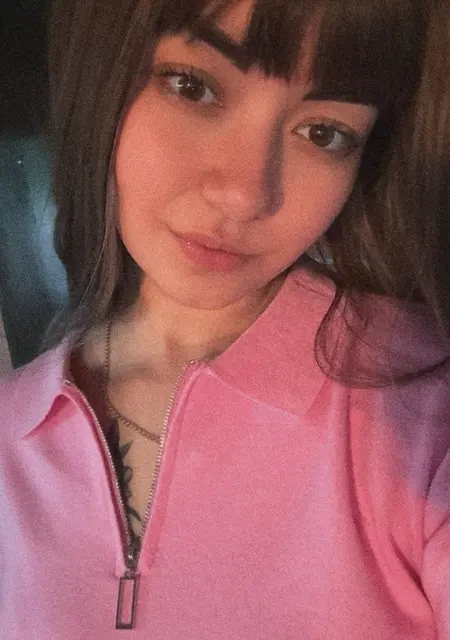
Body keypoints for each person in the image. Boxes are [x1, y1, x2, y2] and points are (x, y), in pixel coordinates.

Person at [1, 0, 450, 637]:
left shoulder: (420, 411)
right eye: (193, 86)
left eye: (324, 133)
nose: (245, 195)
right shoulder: (12, 426)